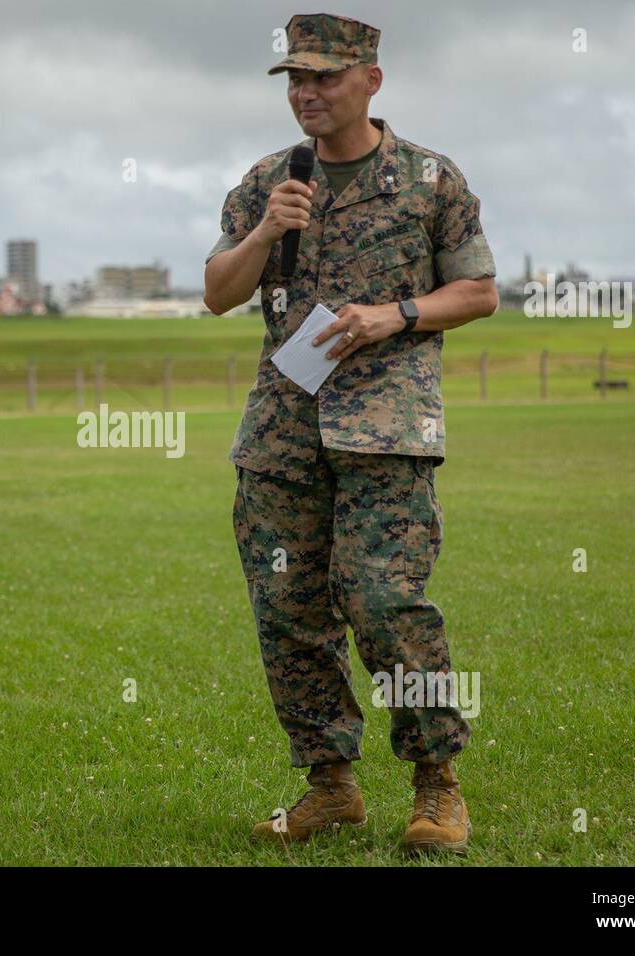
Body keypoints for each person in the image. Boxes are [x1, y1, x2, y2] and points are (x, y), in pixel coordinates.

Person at [204, 13, 498, 853]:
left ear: (371, 79)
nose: (306, 92)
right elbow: (218, 293)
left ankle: (437, 783)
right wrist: (266, 229)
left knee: (382, 601)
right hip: (282, 434)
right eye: (295, 79)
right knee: (287, 611)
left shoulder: (429, 179)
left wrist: (394, 315)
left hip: (386, 424)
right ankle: (329, 786)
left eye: (324, 77)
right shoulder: (267, 179)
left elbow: (476, 293)